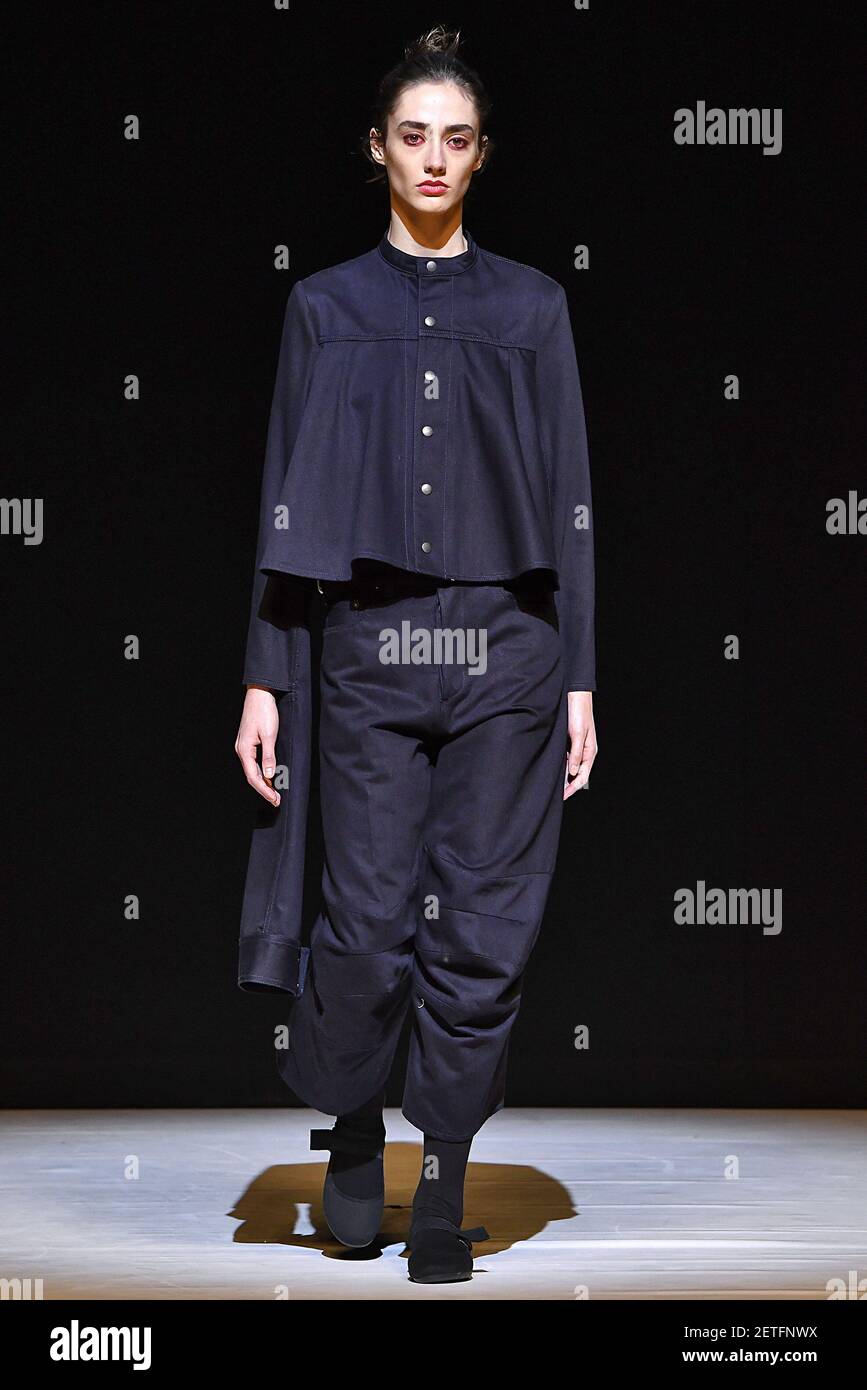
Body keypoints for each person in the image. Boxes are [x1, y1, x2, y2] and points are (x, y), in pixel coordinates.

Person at [234, 25, 598, 1284]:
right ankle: (347, 1122)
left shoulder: (533, 307)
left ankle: (439, 1180)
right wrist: (264, 674)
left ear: (481, 155)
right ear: (377, 148)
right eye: (412, 136)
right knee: (367, 921)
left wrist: (586, 679)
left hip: (510, 648)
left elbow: (570, 505)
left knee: (484, 924)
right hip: (368, 641)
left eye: (456, 139)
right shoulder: (323, 308)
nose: (433, 158)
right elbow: (286, 503)